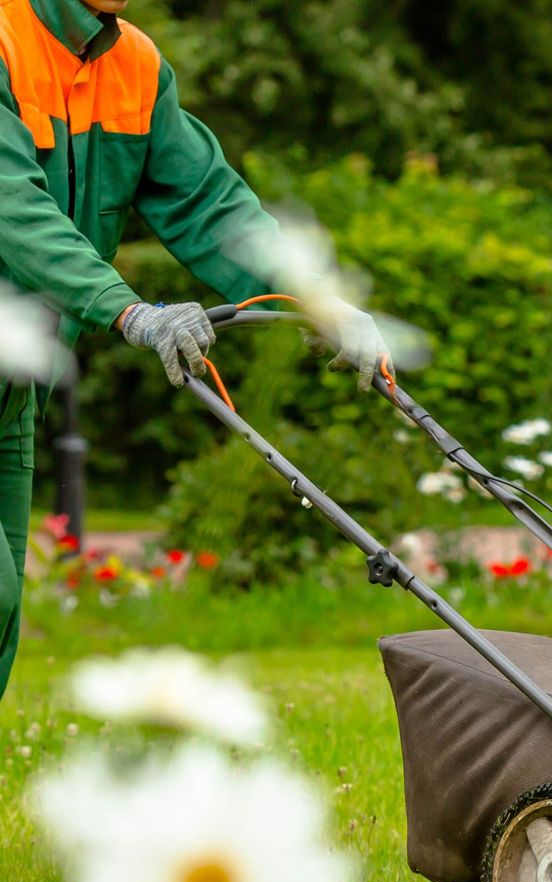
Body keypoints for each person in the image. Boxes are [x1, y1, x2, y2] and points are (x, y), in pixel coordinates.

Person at [0, 0, 389, 699]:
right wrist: (129, 311)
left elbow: (211, 205)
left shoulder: (136, 67)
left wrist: (315, 299)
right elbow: (12, 210)